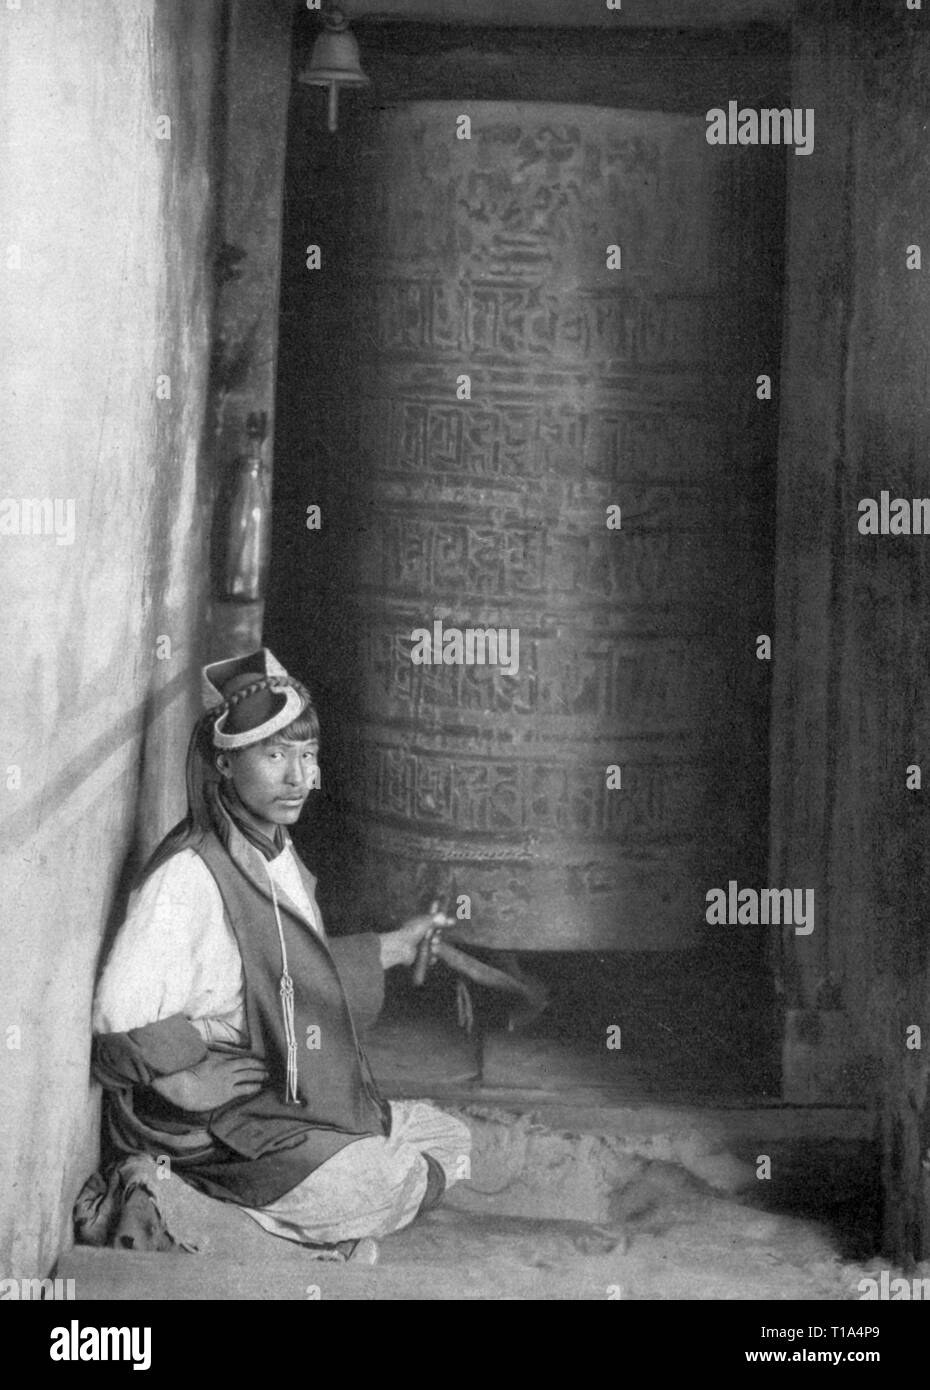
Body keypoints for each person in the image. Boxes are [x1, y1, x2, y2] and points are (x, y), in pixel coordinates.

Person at [82, 648, 471, 1262]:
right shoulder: (188, 875)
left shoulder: (274, 851)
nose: (298, 777)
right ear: (226, 764)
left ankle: (281, 1221)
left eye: (307, 756)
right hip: (212, 1131)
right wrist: (183, 1078)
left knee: (450, 1142)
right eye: (274, 754)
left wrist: (393, 948)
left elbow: (287, 977)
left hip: (273, 1099)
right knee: (389, 1179)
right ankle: (175, 1196)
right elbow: (115, 1016)